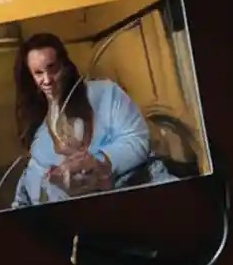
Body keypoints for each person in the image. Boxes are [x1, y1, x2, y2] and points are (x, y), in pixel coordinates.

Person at [11, 33, 150, 206]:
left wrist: (101, 161)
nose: (47, 80)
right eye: (39, 73)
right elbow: (35, 189)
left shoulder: (106, 94)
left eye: (52, 68)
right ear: (31, 78)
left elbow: (139, 140)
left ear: (65, 65)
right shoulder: (38, 134)